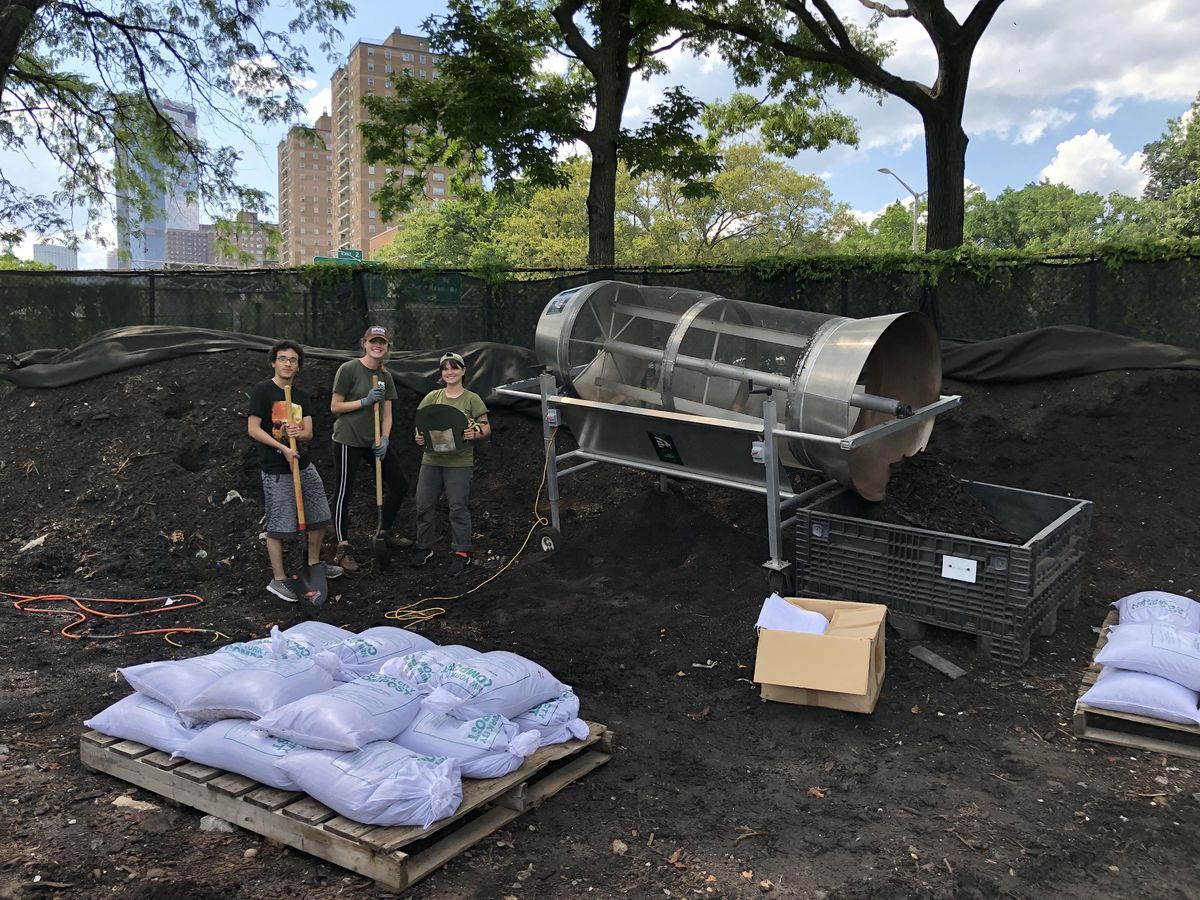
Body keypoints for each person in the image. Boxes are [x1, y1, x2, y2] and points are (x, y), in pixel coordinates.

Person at [246, 340, 342, 602]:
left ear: (298, 366)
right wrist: (282, 447)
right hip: (276, 468)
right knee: (279, 524)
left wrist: (296, 434)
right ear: (274, 362)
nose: (288, 363)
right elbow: (253, 429)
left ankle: (313, 563)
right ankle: (278, 580)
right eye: (282, 358)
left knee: (321, 514)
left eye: (293, 360)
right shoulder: (263, 391)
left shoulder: (301, 397)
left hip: (303, 464)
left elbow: (309, 432)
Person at [329, 324, 411, 571]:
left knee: (400, 485)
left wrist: (384, 439)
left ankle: (382, 532)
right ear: (364, 343)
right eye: (373, 341)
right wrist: (364, 401)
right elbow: (335, 406)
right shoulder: (349, 369)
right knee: (344, 491)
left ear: (387, 347)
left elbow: (387, 414)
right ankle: (342, 547)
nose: (377, 345)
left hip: (372, 439)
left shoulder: (385, 377)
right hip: (348, 438)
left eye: (382, 342)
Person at [411, 351, 491, 575]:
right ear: (441, 373)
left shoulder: (471, 399)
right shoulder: (433, 397)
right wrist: (418, 436)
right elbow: (421, 424)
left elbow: (485, 427)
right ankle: (424, 547)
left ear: (463, 371)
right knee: (424, 504)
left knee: (457, 507)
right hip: (432, 459)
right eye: (445, 368)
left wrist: (475, 434)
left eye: (454, 367)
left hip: (459, 461)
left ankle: (461, 552)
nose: (450, 372)